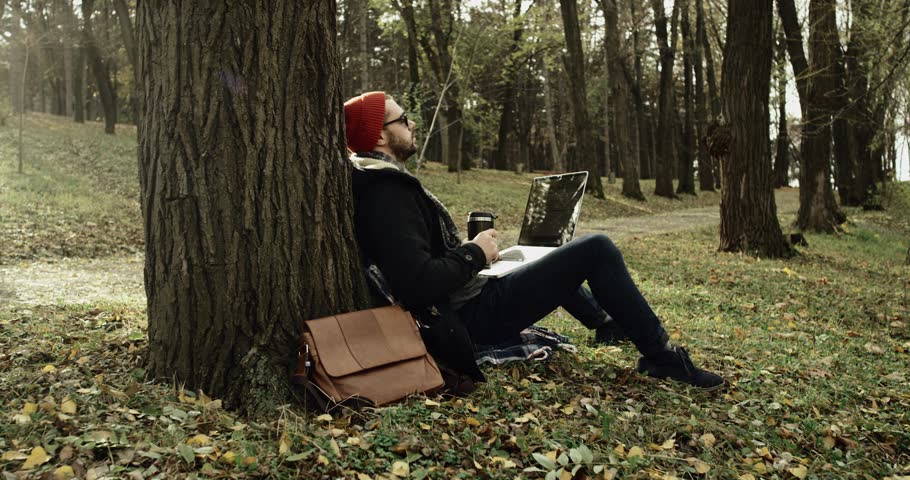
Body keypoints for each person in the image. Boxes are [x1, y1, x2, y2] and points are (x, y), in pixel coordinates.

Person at [344, 91, 725, 390]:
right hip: (467, 319)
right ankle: (660, 355)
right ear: (379, 134)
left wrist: (479, 256)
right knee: (597, 249)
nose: (412, 124)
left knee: (540, 255)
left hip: (468, 302)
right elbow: (417, 284)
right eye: (402, 119)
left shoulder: (383, 184)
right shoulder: (387, 193)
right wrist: (474, 254)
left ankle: (606, 324)